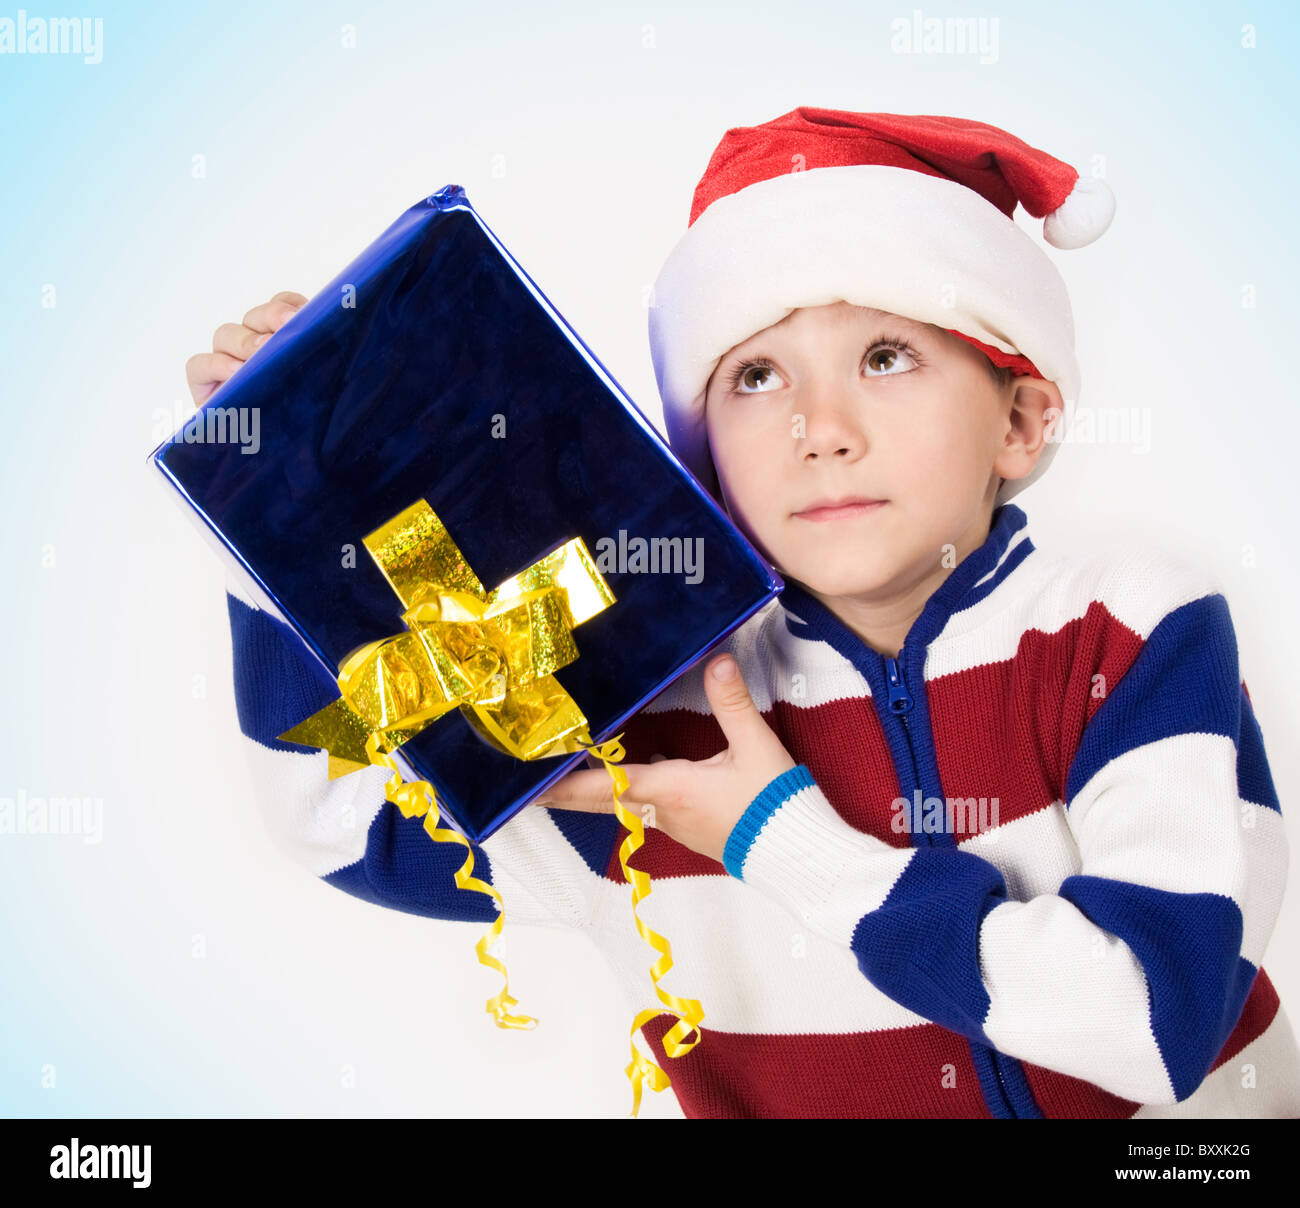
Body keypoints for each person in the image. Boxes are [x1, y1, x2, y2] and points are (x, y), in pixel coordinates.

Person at [185, 108, 1300, 1118]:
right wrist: (276, 506)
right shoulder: (646, 723)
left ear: (1020, 421)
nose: (821, 427)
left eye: (885, 355)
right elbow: (337, 816)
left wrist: (776, 837)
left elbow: (1160, 1021)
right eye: (756, 377)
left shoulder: (1124, 632)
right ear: (701, 452)